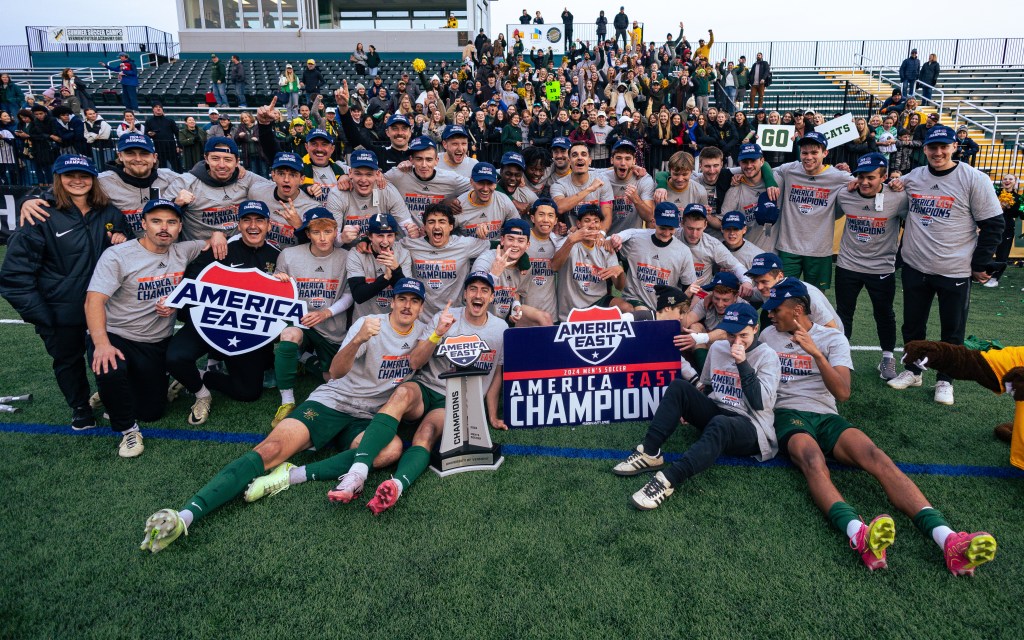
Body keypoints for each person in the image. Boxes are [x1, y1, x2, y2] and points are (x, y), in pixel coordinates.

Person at [138, 278, 429, 553]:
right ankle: (187, 515)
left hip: (371, 415)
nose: (407, 306)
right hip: (335, 400)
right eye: (401, 298)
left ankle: (292, 475)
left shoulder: (425, 332)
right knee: (271, 449)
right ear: (391, 302)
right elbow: (337, 372)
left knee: (390, 450)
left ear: (421, 307)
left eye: (414, 301)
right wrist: (356, 341)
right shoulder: (369, 324)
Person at [760, 278, 997, 575]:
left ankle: (947, 539)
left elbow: (843, 393)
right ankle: (858, 533)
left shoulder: (833, 340)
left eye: (775, 309)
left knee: (876, 457)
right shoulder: (768, 336)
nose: (769, 314)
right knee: (812, 459)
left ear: (797, 310)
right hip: (788, 413)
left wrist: (816, 354)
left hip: (826, 414)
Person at [328, 271, 508, 513]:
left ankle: (396, 484)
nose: (478, 294)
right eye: (472, 289)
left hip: (454, 399)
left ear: (492, 297)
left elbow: (496, 374)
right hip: (426, 386)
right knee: (401, 394)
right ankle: (357, 473)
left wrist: (492, 414)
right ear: (465, 294)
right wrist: (438, 333)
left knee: (426, 433)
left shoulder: (500, 328)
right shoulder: (444, 318)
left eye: (484, 290)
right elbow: (414, 362)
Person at [0, 154, 128, 431]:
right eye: (70, 175)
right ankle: (80, 407)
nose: (78, 181)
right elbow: (14, 276)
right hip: (61, 310)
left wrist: (122, 236)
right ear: (58, 178)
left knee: (108, 357)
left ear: (93, 179)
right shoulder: (40, 214)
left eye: (84, 175)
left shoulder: (108, 212)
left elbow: (127, 251)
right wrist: (42, 315)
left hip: (104, 307)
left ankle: (109, 400)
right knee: (68, 361)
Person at [616, 302, 780, 510]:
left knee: (721, 423)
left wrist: (743, 363)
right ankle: (650, 452)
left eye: (743, 336)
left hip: (751, 426)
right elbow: (709, 387)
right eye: (731, 335)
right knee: (680, 387)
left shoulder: (768, 356)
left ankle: (667, 480)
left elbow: (759, 403)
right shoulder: (719, 348)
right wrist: (689, 406)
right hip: (719, 412)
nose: (736, 342)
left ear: (755, 330)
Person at [886, 125, 1004, 405]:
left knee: (952, 330)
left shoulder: (974, 179)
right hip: (916, 265)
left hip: (955, 269)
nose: (938, 152)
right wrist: (895, 183)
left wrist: (979, 263)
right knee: (913, 325)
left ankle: (945, 380)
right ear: (924, 148)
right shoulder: (914, 176)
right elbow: (896, 198)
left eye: (944, 146)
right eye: (932, 147)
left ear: (954, 147)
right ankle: (914, 370)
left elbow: (994, 225)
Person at [85, 199, 209, 458]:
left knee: (153, 411)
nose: (164, 228)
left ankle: (117, 391)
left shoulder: (182, 250)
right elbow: (94, 300)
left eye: (171, 222)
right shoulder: (118, 255)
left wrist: (218, 235)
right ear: (143, 224)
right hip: (117, 334)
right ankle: (128, 430)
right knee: (109, 367)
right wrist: (101, 343)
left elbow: (208, 243)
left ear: (179, 227)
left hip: (155, 341)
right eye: (156, 221)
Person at [164, 199, 281, 426]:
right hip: (210, 324)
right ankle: (201, 393)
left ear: (269, 225)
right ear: (239, 224)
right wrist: (189, 314)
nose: (253, 226)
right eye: (247, 220)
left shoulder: (277, 255)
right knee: (174, 358)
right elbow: (191, 281)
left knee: (248, 392)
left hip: (246, 331)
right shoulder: (222, 247)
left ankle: (202, 376)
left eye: (259, 220)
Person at [271, 208, 353, 426]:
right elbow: (279, 295)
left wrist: (326, 312)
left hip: (331, 326)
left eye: (328, 231)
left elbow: (349, 294)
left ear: (336, 232)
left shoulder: (347, 257)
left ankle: (305, 359)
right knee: (288, 334)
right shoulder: (289, 255)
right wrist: (277, 281)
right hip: (301, 322)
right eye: (316, 232)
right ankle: (287, 399)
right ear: (307, 233)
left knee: (334, 378)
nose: (323, 237)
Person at [833, 152, 908, 380]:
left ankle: (887, 358)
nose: (865, 182)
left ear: (883, 177)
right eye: (861, 176)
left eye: (871, 178)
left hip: (881, 267)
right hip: (848, 264)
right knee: (844, 313)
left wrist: (902, 257)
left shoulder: (899, 198)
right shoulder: (845, 195)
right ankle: (842, 359)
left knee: (884, 314)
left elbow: (916, 225)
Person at [772, 132, 853, 290]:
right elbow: (762, 168)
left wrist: (897, 182)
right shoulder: (790, 169)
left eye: (814, 152)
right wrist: (734, 175)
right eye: (805, 153)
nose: (808, 157)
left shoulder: (838, 176)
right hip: (788, 246)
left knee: (816, 299)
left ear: (825, 153)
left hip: (819, 250)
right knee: (782, 294)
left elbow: (866, 182)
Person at [610, 201, 696, 312]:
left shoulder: (683, 251)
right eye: (662, 228)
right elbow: (609, 243)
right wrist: (617, 239)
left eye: (671, 229)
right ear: (654, 222)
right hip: (635, 299)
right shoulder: (636, 239)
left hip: (665, 304)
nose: (666, 233)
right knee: (643, 313)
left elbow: (687, 286)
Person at [552, 204, 623, 320]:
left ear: (600, 225)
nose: (592, 225)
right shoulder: (567, 242)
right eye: (587, 220)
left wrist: (620, 272)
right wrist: (570, 241)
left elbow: (619, 287)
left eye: (596, 221)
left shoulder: (605, 247)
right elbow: (554, 266)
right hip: (572, 308)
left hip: (598, 301)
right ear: (578, 224)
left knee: (626, 308)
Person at [551, 140, 614, 231]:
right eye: (575, 155)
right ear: (569, 161)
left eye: (583, 154)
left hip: (596, 236)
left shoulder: (602, 181)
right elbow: (560, 208)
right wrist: (589, 189)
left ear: (589, 161)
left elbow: (607, 215)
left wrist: (601, 235)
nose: (579, 158)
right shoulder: (559, 185)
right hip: (571, 236)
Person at [454, 162, 519, 240]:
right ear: (471, 182)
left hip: (496, 249)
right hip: (468, 250)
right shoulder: (458, 206)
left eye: (490, 183)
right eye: (481, 183)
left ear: (495, 184)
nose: (485, 188)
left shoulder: (504, 201)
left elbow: (518, 227)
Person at [990, 174, 1023, 289]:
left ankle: (995, 278)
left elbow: (1021, 215)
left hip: (1007, 227)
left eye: (1010, 179)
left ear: (1015, 182)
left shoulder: (1018, 198)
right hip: (991, 226)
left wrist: (1011, 207)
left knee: (1002, 253)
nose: (1007, 181)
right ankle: (984, 273)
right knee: (986, 250)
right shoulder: (994, 192)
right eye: (1005, 179)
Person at [144, 102, 180, 172]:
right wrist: (150, 134)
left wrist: (179, 146)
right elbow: (146, 135)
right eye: (156, 107)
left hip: (171, 146)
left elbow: (177, 133)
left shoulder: (170, 120)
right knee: (161, 168)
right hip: (158, 147)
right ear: (153, 109)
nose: (158, 108)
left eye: (160, 107)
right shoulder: (149, 121)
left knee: (177, 167)